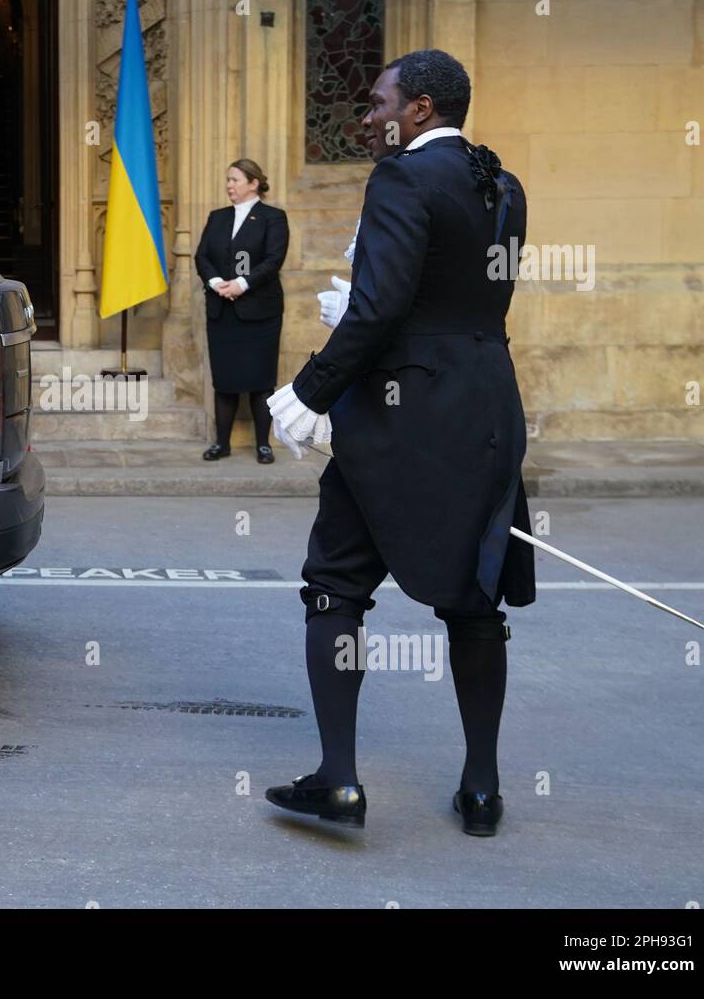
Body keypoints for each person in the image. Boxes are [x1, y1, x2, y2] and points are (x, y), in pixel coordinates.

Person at [263, 49, 535, 837]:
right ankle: (482, 790)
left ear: (420, 108)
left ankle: (339, 780)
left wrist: (309, 390)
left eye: (379, 102)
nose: (368, 116)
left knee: (335, 583)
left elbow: (381, 311)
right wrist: (375, 303)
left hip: (399, 413)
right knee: (475, 597)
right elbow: (474, 292)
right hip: (485, 406)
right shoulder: (504, 186)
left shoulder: (401, 180)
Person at [194, 159, 289, 463]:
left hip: (260, 313)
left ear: (254, 183)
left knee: (261, 381)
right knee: (225, 381)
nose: (229, 185)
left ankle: (264, 444)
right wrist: (218, 282)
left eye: (235, 179)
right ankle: (222, 444)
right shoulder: (218, 217)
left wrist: (243, 284)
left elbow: (273, 260)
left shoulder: (273, 217)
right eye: (227, 180)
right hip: (222, 310)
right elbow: (202, 256)